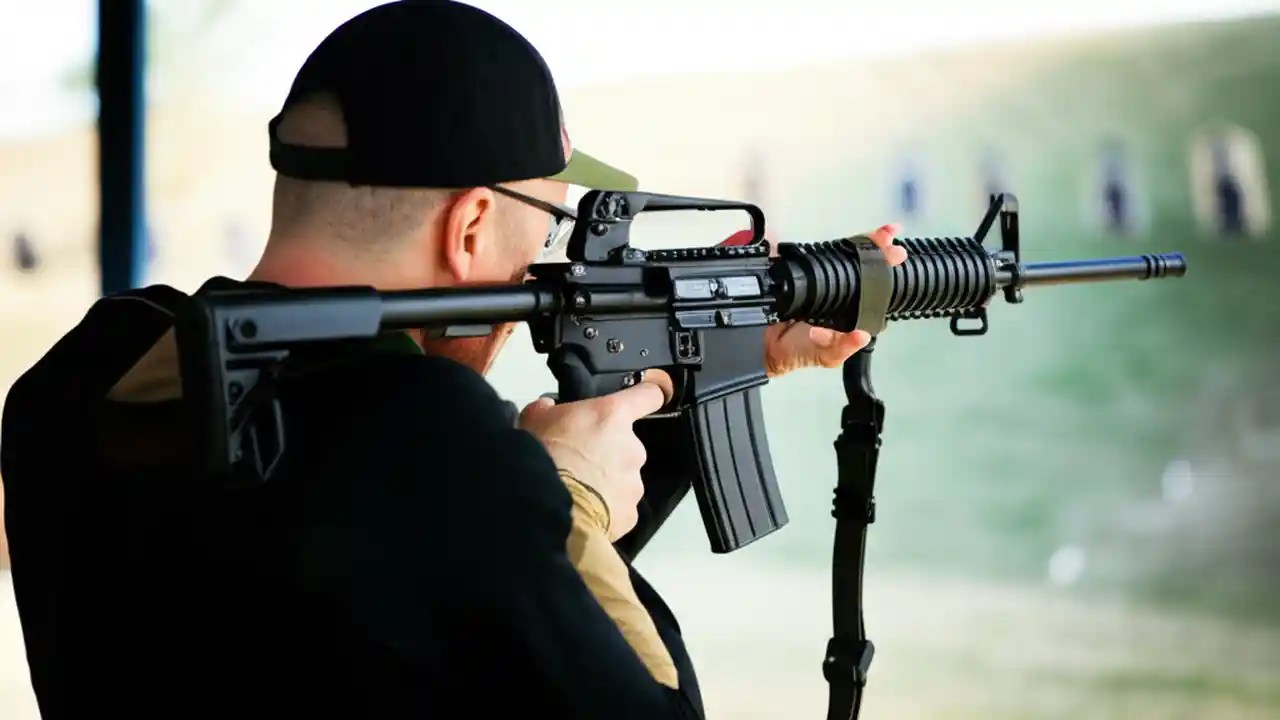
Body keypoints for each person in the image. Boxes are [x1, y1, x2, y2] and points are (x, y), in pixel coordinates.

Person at [0, 2, 906, 718]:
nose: (546, 263)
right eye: (545, 225)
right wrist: (572, 501)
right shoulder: (429, 435)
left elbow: (480, 600)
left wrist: (713, 362)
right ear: (470, 226)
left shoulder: (88, 375)